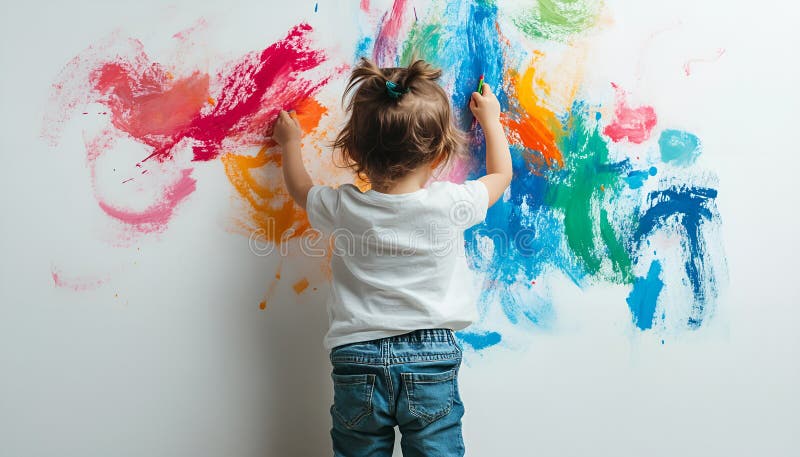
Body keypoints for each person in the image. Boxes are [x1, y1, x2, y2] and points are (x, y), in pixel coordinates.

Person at [272, 57, 511, 457]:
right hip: (430, 356)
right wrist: (491, 118)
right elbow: (500, 175)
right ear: (439, 154)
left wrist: (291, 144)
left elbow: (301, 189)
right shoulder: (451, 203)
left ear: (354, 151)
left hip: (356, 359)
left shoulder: (344, 206)